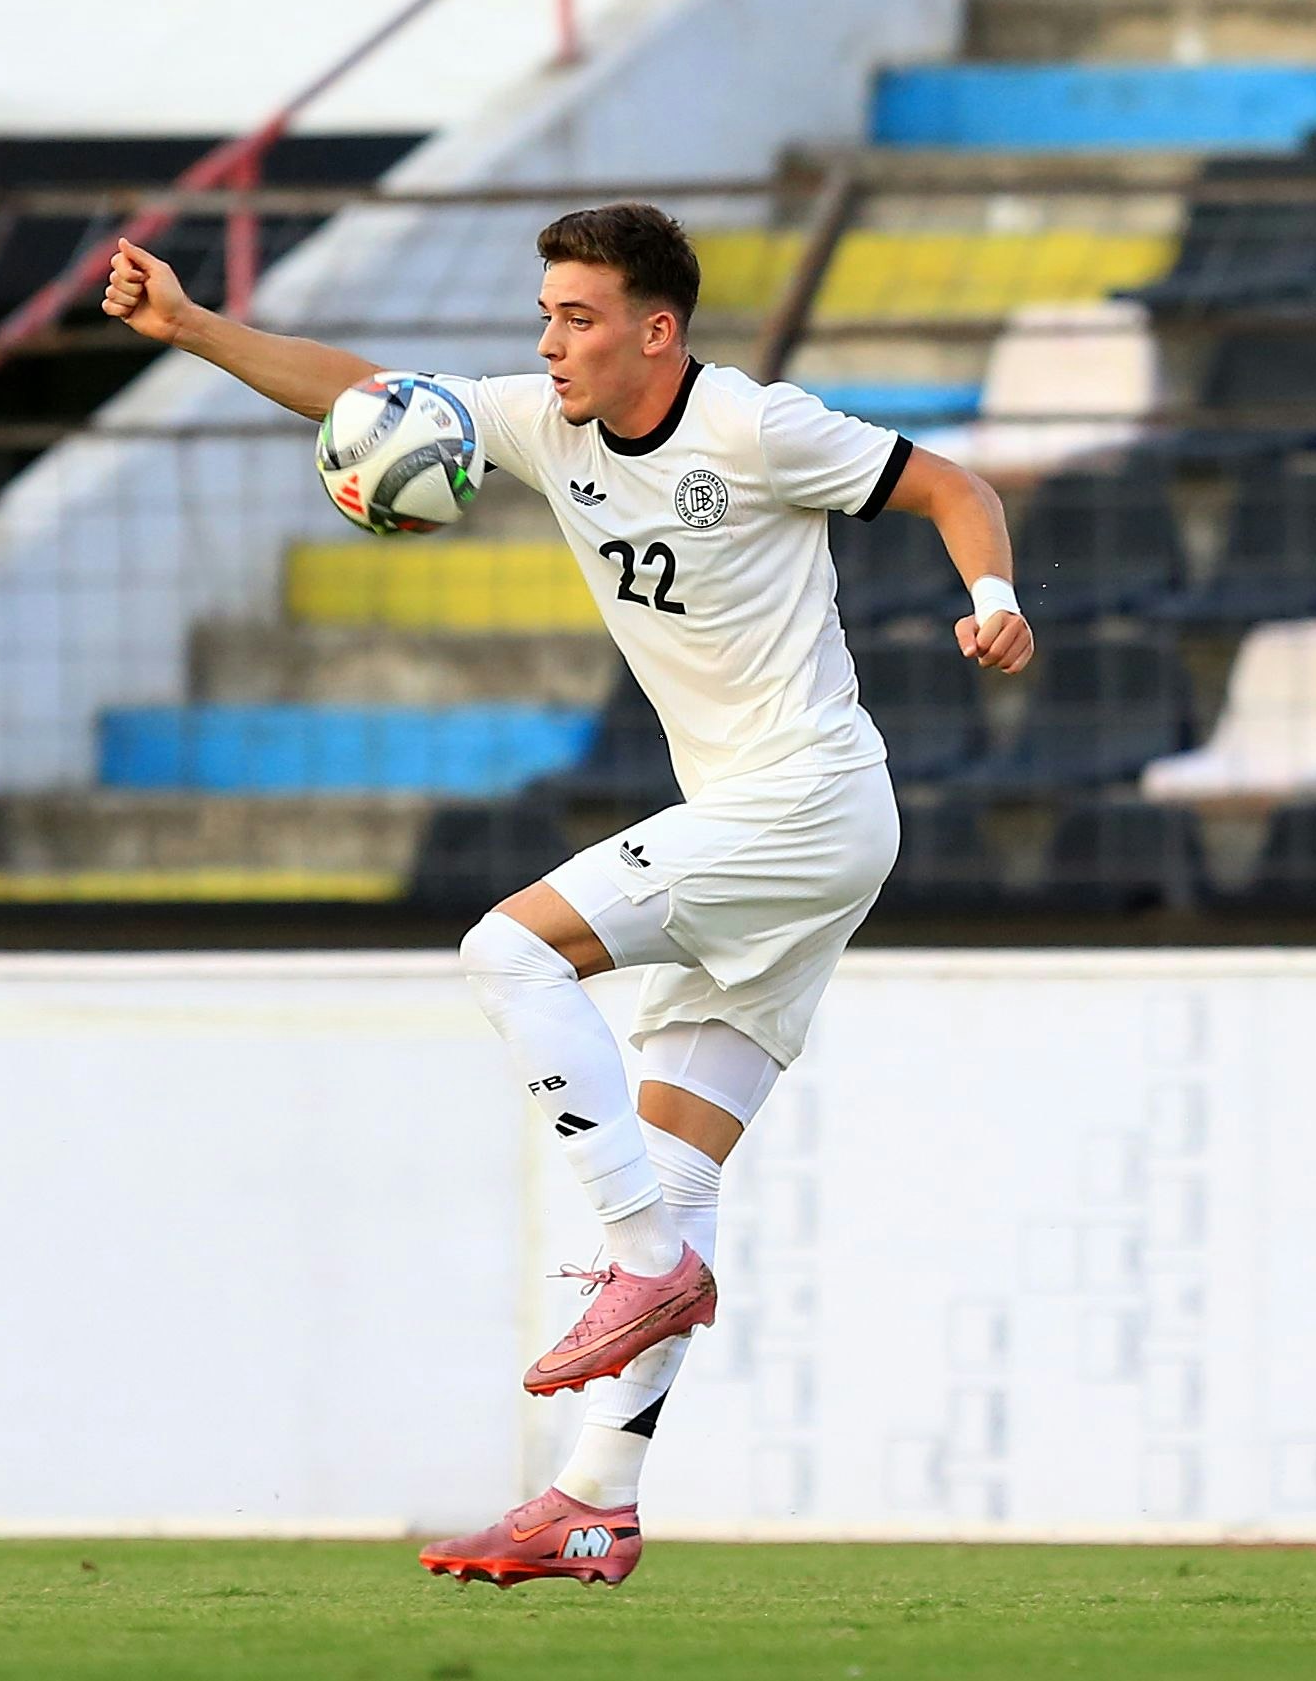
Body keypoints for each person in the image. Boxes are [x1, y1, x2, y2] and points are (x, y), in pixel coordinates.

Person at [104, 202, 1032, 1587]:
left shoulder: (756, 427)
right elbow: (366, 394)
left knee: (505, 949)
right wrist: (188, 327)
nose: (548, 341)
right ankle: (597, 1498)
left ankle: (640, 1262)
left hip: (805, 800)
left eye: (577, 317)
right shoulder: (544, 423)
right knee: (674, 1165)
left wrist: (992, 593)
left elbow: (952, 483)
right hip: (761, 828)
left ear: (656, 331)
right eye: (544, 314)